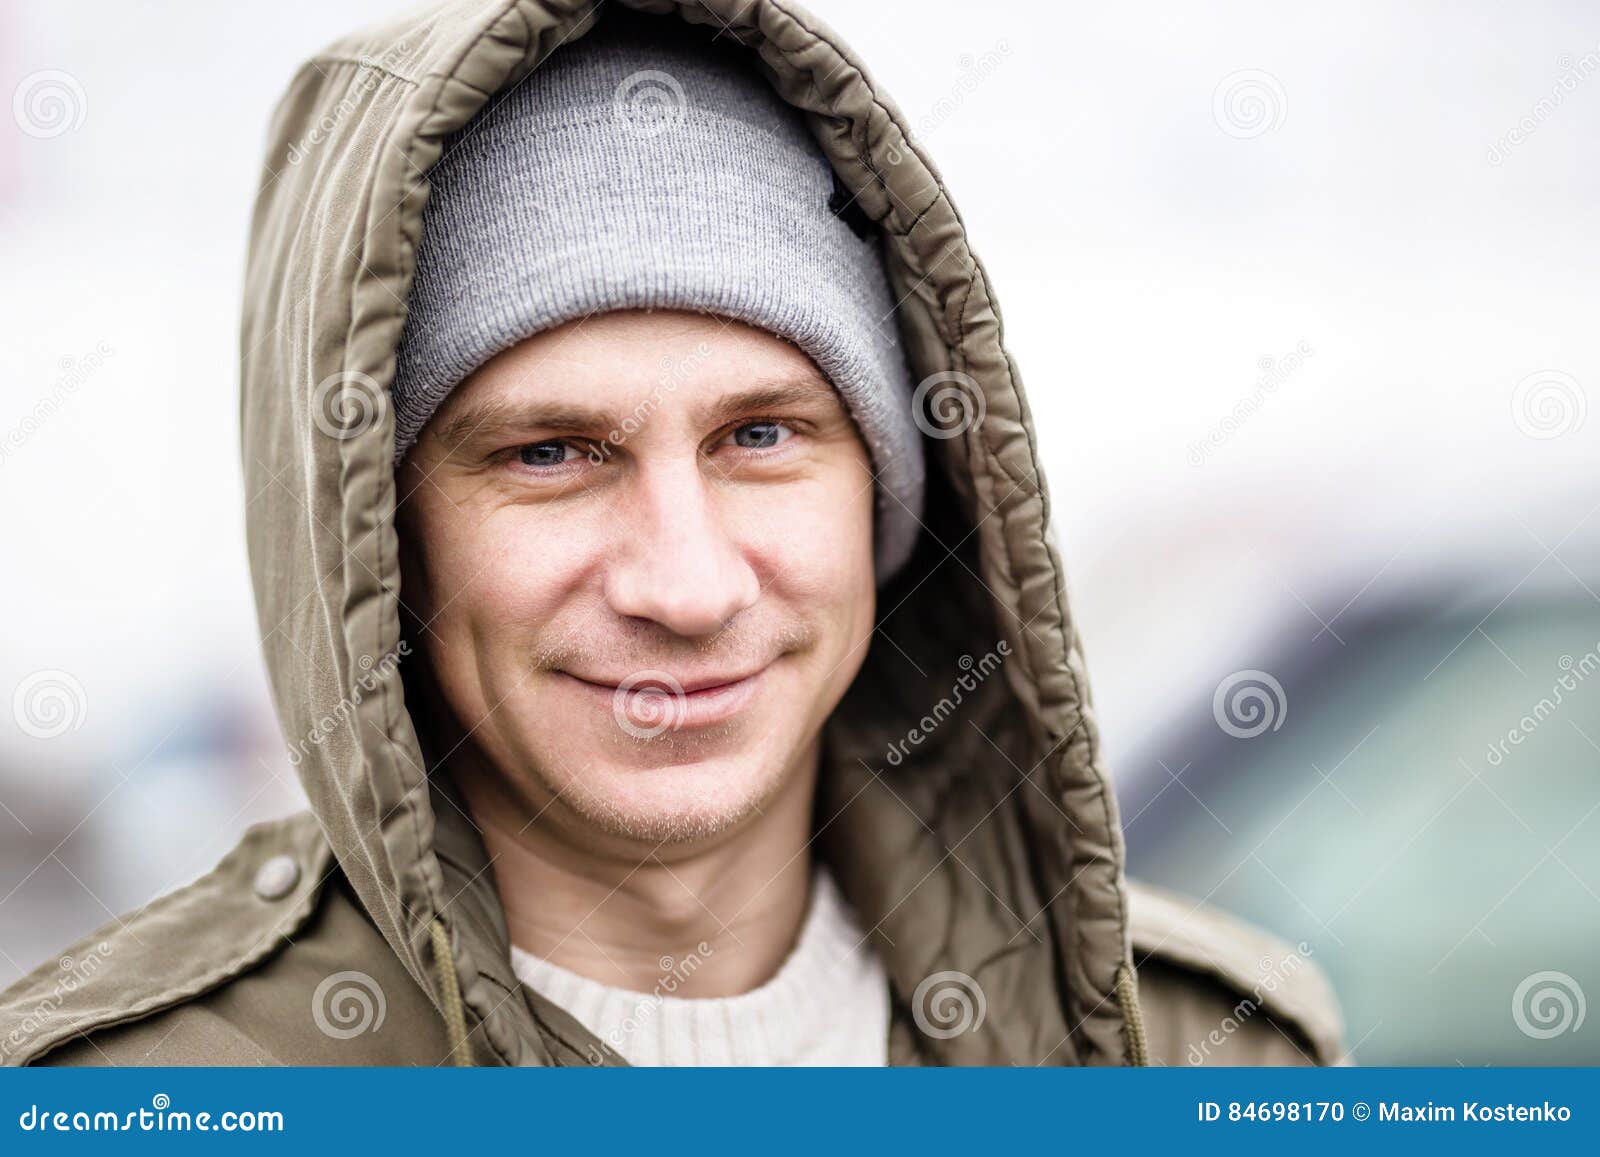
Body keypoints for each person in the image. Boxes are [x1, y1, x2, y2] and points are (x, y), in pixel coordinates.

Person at [0, 0, 1344, 1067]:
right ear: (372, 535)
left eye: (763, 435)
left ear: (891, 483)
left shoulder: (1198, 1058)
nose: (688, 584)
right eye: (550, 454)